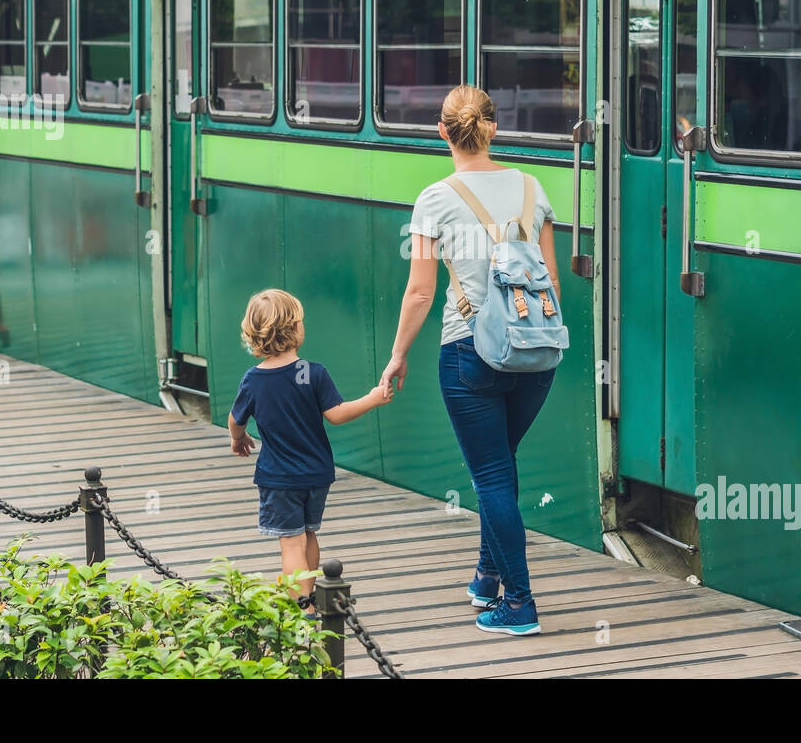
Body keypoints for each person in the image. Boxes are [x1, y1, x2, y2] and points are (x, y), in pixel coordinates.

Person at [380, 85, 561, 637]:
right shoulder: (535, 189)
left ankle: (520, 605)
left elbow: (419, 293)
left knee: (490, 476)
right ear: (494, 128)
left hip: (470, 355)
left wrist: (397, 356)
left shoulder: (435, 198)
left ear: (442, 131)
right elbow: (549, 283)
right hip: (537, 354)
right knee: (500, 466)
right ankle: (487, 577)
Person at [229, 288, 391, 611]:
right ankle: (309, 594)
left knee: (291, 543)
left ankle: (301, 607)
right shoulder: (312, 373)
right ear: (294, 329)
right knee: (309, 534)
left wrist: (238, 438)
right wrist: (373, 398)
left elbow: (235, 421)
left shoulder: (253, 380)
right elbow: (337, 414)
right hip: (316, 475)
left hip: (278, 478)